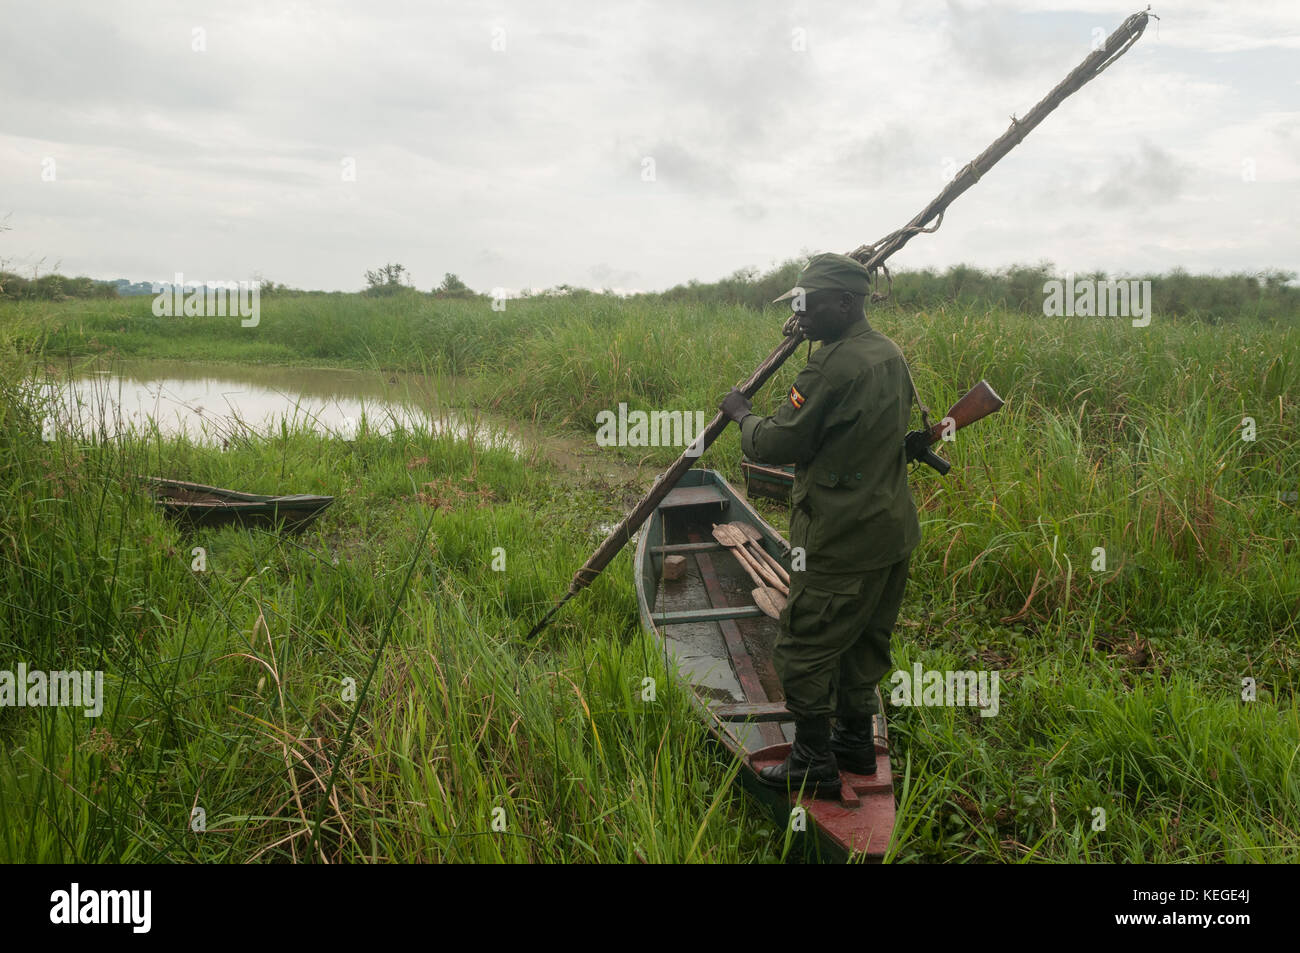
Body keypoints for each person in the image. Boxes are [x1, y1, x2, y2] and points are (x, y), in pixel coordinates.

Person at [718, 252, 920, 796]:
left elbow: (780, 443)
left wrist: (742, 415)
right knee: (863, 639)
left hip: (839, 535)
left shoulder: (830, 366)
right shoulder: (888, 354)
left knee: (804, 643)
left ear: (846, 304)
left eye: (809, 304)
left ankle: (812, 759)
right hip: (891, 530)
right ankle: (854, 743)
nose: (799, 315)